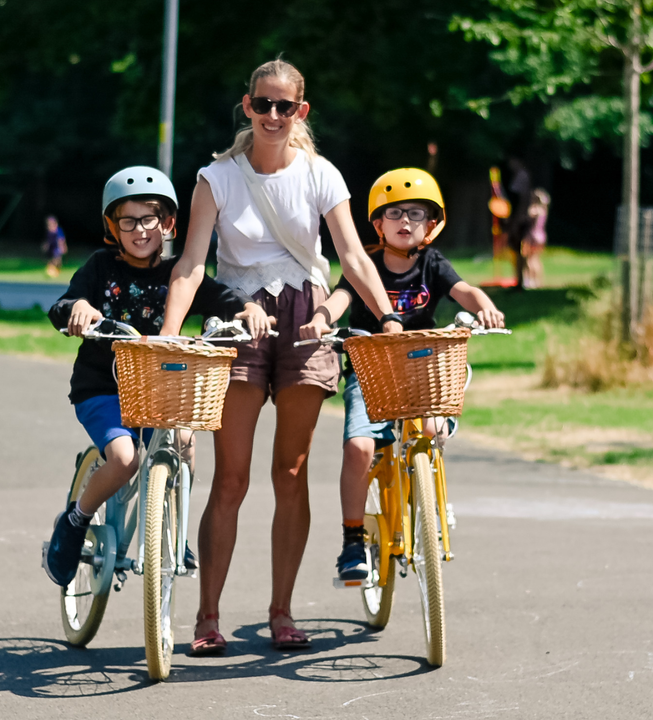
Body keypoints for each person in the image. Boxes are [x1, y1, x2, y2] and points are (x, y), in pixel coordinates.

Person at [159, 58, 402, 655]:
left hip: (304, 322)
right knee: (232, 477)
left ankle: (281, 613)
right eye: (262, 104)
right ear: (247, 106)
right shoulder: (217, 178)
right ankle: (208, 618)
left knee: (290, 476)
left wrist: (389, 315)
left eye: (284, 106)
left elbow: (353, 256)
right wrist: (169, 332)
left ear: (301, 111)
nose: (272, 115)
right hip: (241, 321)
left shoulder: (321, 174)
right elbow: (192, 263)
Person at [42, 167, 267, 588]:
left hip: (160, 390)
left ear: (168, 224)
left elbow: (224, 296)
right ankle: (75, 520)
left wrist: (248, 308)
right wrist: (78, 310)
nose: (140, 230)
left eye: (150, 219)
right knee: (125, 459)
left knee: (185, 441)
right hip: (103, 389)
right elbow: (64, 304)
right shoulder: (100, 267)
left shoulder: (178, 274)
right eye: (128, 221)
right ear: (113, 226)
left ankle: (173, 527)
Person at [298, 168, 505, 580]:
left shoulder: (432, 263)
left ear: (431, 223)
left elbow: (465, 290)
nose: (405, 222)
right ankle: (353, 539)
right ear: (377, 223)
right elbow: (340, 297)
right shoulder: (366, 264)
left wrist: (484, 304)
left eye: (416, 213)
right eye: (394, 214)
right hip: (370, 373)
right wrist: (321, 318)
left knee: (431, 429)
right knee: (359, 447)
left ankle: (428, 504)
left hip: (421, 372)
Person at [505, 156, 531, 289]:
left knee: (520, 251)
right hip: (517, 218)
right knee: (515, 251)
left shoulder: (522, 176)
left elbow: (521, 200)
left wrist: (516, 220)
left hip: (519, 220)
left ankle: (521, 281)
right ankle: (518, 279)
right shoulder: (519, 176)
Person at [523, 189, 550, 288]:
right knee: (536, 259)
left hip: (532, 236)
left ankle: (530, 280)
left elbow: (527, 215)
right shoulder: (544, 210)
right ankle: (538, 280)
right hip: (541, 236)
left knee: (529, 259)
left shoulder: (535, 209)